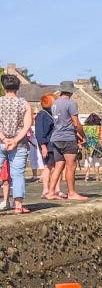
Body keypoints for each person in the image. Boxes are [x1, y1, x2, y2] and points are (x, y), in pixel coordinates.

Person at [0, 74, 34, 213]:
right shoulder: (24, 103)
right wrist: (14, 140)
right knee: (18, 174)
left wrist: (3, 138)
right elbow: (27, 125)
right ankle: (18, 205)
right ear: (18, 88)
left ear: (3, 87)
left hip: (0, 142)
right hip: (18, 143)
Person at [47, 88, 88, 201]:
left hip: (56, 137)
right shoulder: (71, 103)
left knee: (59, 165)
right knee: (71, 166)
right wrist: (83, 136)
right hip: (67, 138)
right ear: (70, 91)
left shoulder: (54, 103)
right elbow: (76, 123)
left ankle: (50, 192)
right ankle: (71, 192)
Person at [34, 94, 58, 197]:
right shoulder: (42, 115)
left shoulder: (51, 114)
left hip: (53, 143)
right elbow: (39, 132)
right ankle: (45, 190)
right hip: (47, 144)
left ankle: (56, 189)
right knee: (48, 166)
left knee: (56, 166)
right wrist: (43, 146)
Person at [81, 114, 102, 181]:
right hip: (97, 144)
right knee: (96, 160)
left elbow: (82, 136)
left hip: (88, 144)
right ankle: (97, 176)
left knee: (87, 160)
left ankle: (86, 176)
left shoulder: (84, 127)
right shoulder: (99, 127)